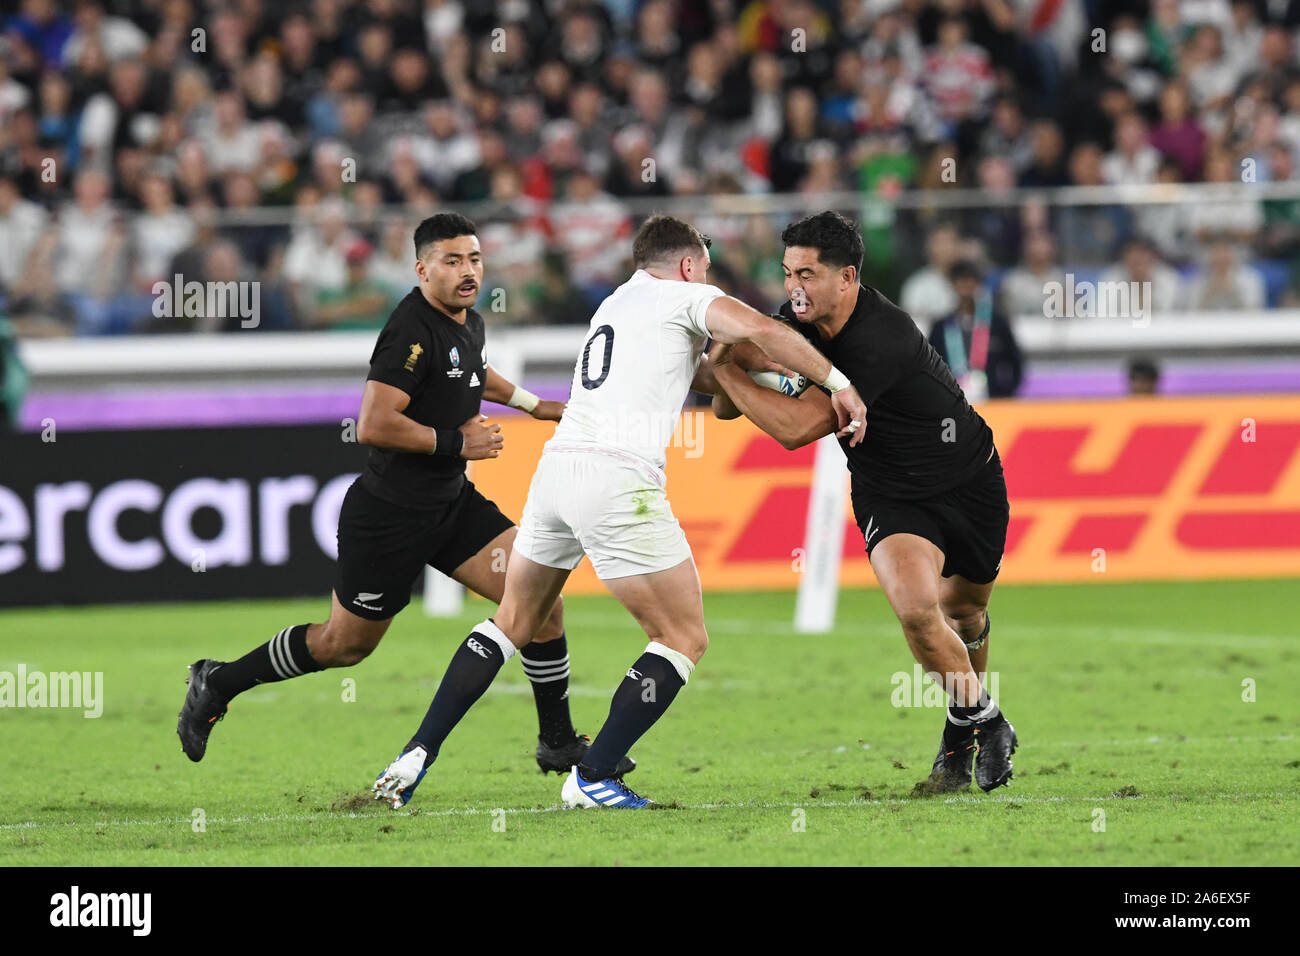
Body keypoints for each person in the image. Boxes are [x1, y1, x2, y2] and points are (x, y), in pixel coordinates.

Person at [371, 214, 868, 809]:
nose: (707, 281)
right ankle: (593, 776)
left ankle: (415, 753)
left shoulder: (614, 305)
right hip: (616, 478)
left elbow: (706, 374)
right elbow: (762, 326)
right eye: (704, 270)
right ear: (689, 266)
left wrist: (765, 375)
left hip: (557, 474)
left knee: (513, 620)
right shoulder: (689, 295)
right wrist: (835, 380)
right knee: (682, 635)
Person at [177, 213, 634, 780]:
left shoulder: (468, 320)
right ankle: (217, 682)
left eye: (473, 259)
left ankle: (558, 743)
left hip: (450, 506)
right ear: (422, 269)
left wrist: (531, 403)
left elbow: (471, 370)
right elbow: (373, 423)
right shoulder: (409, 331)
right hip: (390, 516)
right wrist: (455, 441)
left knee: (539, 601)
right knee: (344, 646)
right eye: (452, 261)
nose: (468, 272)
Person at [708, 211, 1017, 794]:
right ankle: (990, 722)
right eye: (787, 273)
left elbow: (796, 429)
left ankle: (960, 732)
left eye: (808, 274)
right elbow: (730, 405)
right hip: (891, 492)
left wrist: (725, 369)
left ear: (847, 277)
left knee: (966, 612)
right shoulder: (789, 327)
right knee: (919, 611)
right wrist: (730, 361)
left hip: (970, 477)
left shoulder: (882, 336)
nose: (793, 288)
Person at [929, 260, 1024, 400]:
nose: (966, 287)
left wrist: (1005, 394)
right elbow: (929, 367)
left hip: (992, 402)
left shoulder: (997, 325)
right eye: (961, 281)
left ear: (978, 284)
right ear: (952, 285)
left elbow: (1015, 362)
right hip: (951, 405)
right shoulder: (941, 328)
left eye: (970, 281)